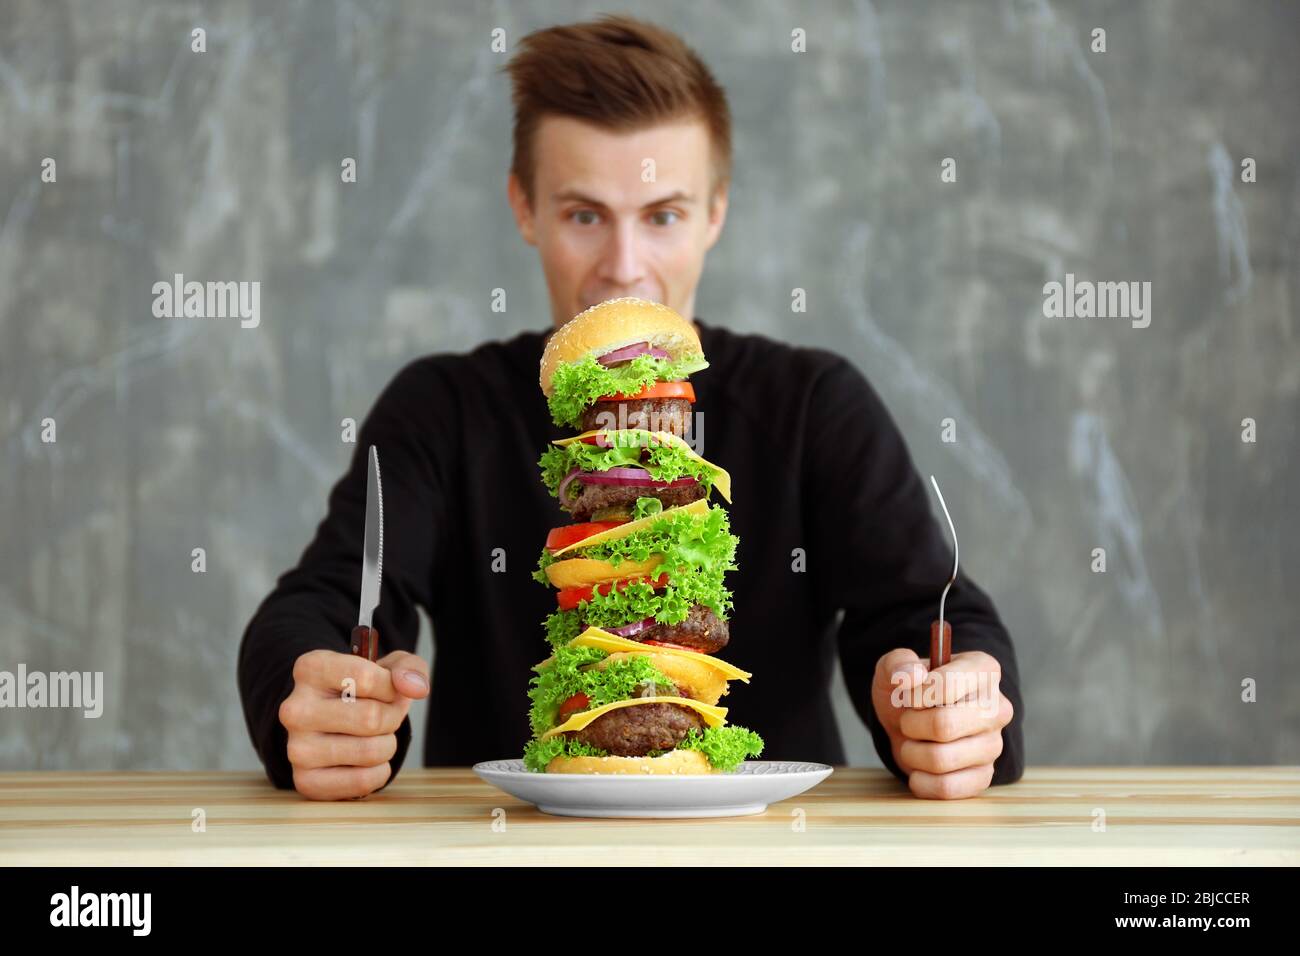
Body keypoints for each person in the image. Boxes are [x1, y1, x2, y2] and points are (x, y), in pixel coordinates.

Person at [238, 14, 1024, 801]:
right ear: (524, 208)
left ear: (715, 212)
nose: (623, 267)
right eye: (584, 215)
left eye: (663, 216)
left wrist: (947, 710)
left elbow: (930, 612)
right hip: (499, 851)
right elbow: (328, 602)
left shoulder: (812, 403)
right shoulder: (442, 408)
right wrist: (314, 706)